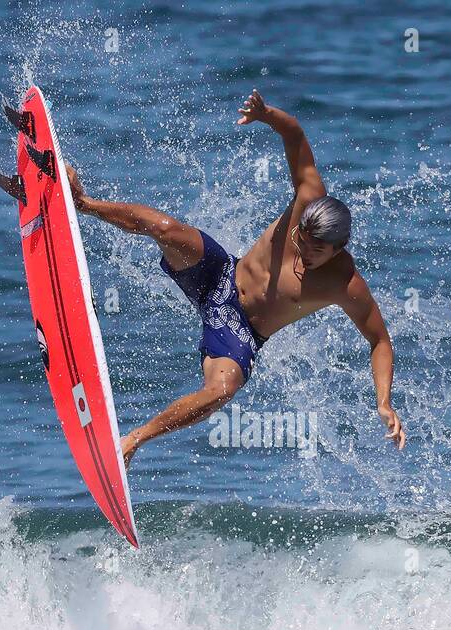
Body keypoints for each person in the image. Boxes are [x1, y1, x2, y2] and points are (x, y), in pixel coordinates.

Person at [67, 89, 406, 465]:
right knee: (165, 228)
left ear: (339, 248)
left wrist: (384, 402)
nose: (304, 252)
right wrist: (267, 115)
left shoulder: (345, 284)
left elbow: (379, 340)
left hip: (241, 329)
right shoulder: (309, 196)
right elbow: (294, 134)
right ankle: (82, 203)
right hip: (220, 275)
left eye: (316, 251)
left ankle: (132, 441)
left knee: (221, 390)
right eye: (301, 240)